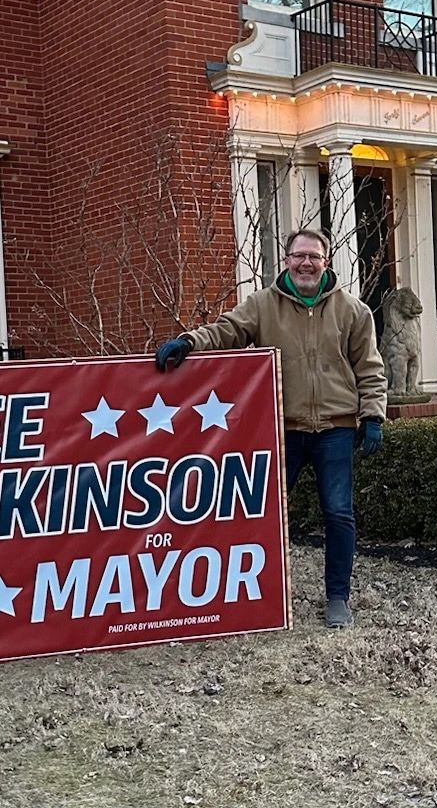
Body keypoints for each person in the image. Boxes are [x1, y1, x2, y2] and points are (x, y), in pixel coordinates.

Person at [154, 228, 387, 628]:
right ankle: (254, 595)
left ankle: (337, 598)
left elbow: (370, 368)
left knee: (338, 514)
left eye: (314, 256)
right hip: (284, 429)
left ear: (326, 262)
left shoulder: (353, 311)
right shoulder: (262, 306)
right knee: (263, 514)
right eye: (299, 256)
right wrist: (189, 342)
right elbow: (226, 330)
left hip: (335, 428)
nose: (306, 264)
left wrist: (373, 416)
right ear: (285, 260)